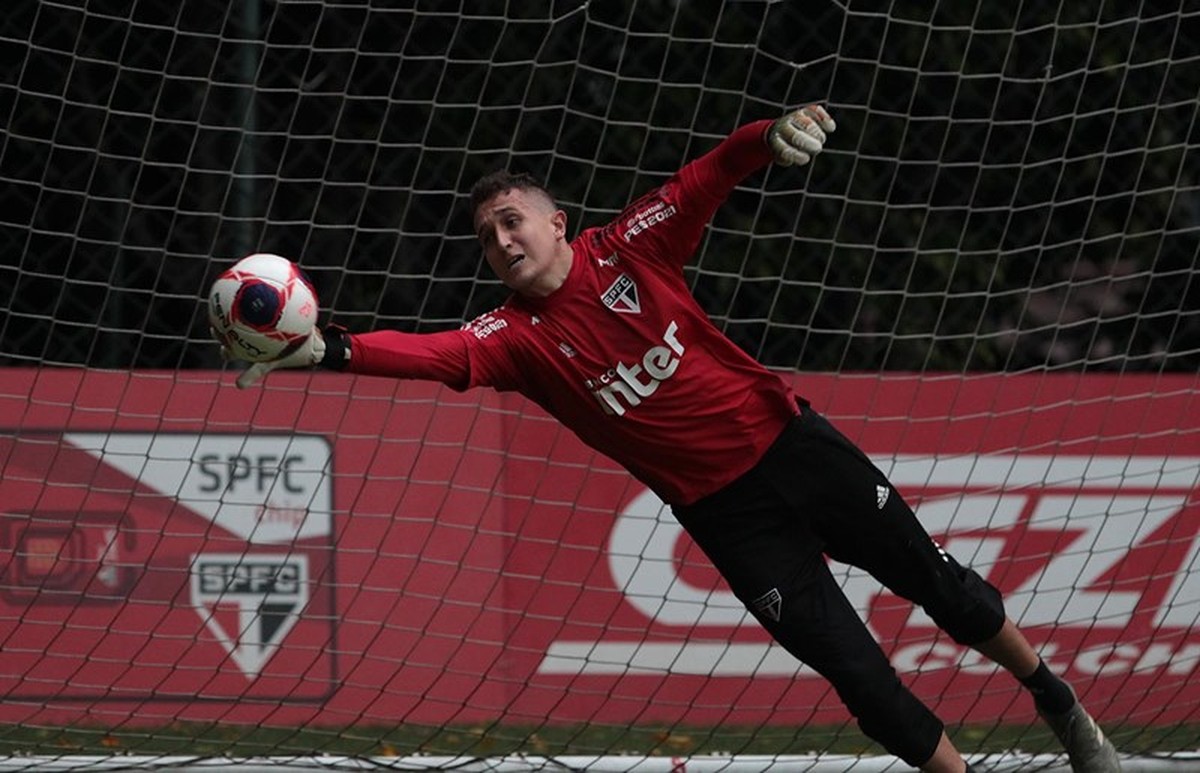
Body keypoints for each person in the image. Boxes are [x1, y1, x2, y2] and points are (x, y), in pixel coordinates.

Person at [217, 104, 1121, 773]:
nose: (500, 242)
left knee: (946, 592)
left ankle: (1058, 700)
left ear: (556, 223)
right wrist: (326, 348)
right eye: (487, 238)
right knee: (861, 678)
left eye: (512, 222)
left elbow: (709, 174)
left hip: (797, 447)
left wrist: (773, 135)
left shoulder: (633, 250)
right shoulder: (512, 339)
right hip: (731, 519)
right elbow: (427, 353)